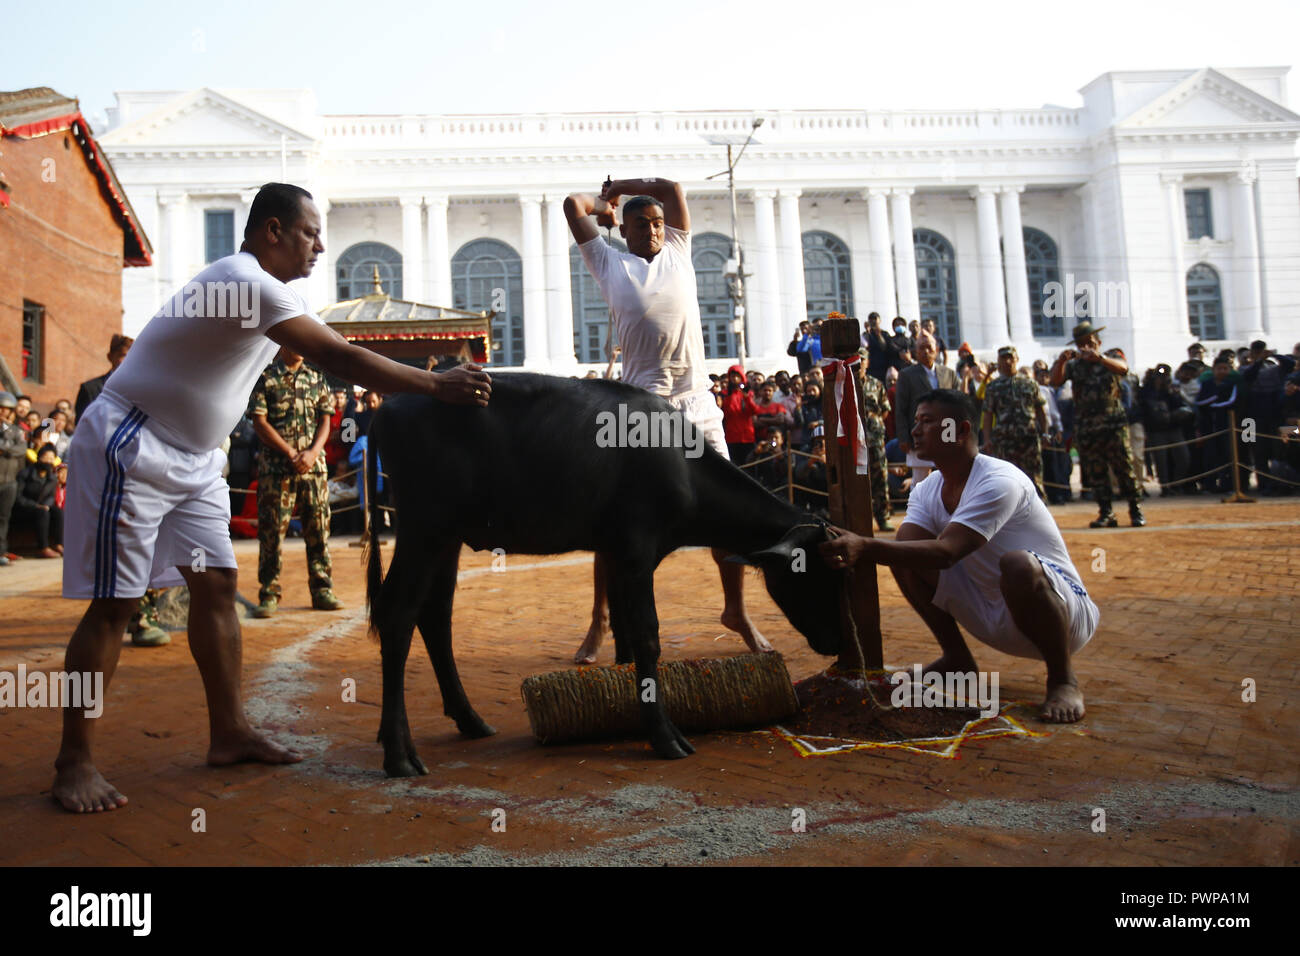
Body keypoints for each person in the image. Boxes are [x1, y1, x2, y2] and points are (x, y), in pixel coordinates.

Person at [52, 181, 492, 814]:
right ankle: (74, 761)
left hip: (198, 459)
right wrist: (435, 383)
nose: (319, 245)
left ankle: (228, 731)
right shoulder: (243, 278)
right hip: (135, 442)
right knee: (114, 607)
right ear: (273, 231)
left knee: (215, 586)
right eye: (310, 232)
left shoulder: (270, 290)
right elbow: (339, 353)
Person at [565, 176, 770, 664]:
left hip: (697, 402)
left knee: (728, 512)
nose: (654, 230)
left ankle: (736, 611)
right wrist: (605, 204)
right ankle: (601, 619)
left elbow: (673, 189)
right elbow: (573, 205)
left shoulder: (679, 250)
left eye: (657, 223)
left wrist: (632, 187)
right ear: (627, 232)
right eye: (642, 224)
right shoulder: (608, 261)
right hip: (643, 407)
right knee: (618, 522)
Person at [820, 388, 1097, 723]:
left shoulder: (999, 480)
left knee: (1017, 564)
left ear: (961, 430)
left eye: (928, 421)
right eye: (916, 421)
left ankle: (1063, 678)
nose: (915, 430)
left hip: (1064, 619)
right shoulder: (926, 489)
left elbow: (948, 552)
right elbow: (917, 549)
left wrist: (864, 546)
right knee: (906, 542)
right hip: (992, 612)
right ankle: (956, 657)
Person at [249, 346, 339, 616]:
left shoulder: (316, 377)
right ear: (283, 346)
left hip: (313, 468)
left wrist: (312, 453)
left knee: (318, 530)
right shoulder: (266, 378)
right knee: (271, 533)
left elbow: (326, 420)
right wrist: (289, 452)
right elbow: (259, 421)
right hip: (277, 470)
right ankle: (269, 592)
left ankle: (323, 589)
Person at [1050, 321, 1144, 527]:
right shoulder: (1074, 366)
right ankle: (1106, 512)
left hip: (1113, 424)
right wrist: (1061, 362)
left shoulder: (1111, 359)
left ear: (1098, 342)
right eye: (1082, 344)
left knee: (1124, 469)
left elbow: (1123, 368)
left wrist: (1099, 358)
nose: (1086, 347)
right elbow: (1055, 381)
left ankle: (1135, 510)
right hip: (1087, 426)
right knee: (1096, 471)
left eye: (1090, 342)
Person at [980, 346, 1047, 499]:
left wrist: (1045, 433)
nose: (1008, 361)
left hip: (1029, 438)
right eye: (1004, 358)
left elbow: (1041, 411)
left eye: (1011, 358)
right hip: (1004, 441)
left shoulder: (1030, 383)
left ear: (1017, 360)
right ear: (998, 362)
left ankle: (1036, 514)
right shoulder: (993, 387)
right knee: (1006, 480)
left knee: (1034, 479)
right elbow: (988, 414)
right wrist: (987, 439)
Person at [895, 332, 959, 485]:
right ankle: (919, 509)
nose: (926, 351)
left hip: (946, 434)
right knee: (920, 482)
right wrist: (903, 437)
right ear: (916, 352)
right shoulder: (906, 375)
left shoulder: (949, 373)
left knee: (949, 478)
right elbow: (900, 408)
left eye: (929, 348)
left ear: (936, 349)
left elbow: (957, 406)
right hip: (919, 435)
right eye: (921, 348)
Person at [14, 443, 63, 557]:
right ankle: (43, 547)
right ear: (39, 458)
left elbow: (51, 496)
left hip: (42, 508)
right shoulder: (25, 474)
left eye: (51, 458)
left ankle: (59, 544)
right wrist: (35, 506)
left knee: (58, 512)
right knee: (42, 512)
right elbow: (18, 497)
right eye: (46, 457)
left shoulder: (52, 478)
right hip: (25, 509)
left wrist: (46, 505)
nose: (48, 461)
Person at [75, 334, 134, 422]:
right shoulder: (90, 389)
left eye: (132, 356)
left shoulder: (140, 389)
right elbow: (82, 424)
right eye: (123, 355)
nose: (127, 360)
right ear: (110, 357)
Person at [0, 392, 28, 566]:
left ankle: (1, 551)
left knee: (3, 518)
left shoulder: (17, 431)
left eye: (6, 410)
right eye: (0, 409)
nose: (3, 412)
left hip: (10, 482)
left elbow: (21, 450)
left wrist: (4, 449)